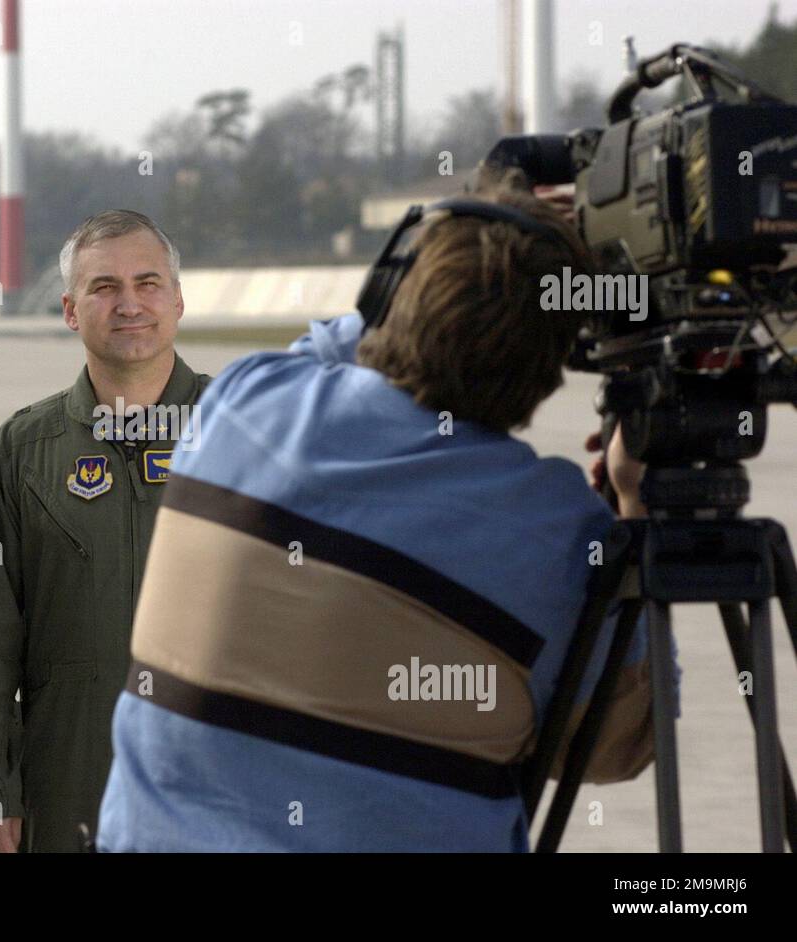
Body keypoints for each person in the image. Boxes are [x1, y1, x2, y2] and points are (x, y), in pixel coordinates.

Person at [97, 182, 662, 851]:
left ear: (395, 292)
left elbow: (343, 342)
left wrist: (491, 222)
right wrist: (636, 502)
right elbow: (617, 746)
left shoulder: (246, 402)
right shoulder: (562, 535)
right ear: (549, 366)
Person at [0, 209, 210, 852]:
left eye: (148, 284)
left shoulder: (246, 430)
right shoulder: (24, 451)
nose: (129, 304)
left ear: (177, 301)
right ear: (69, 309)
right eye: (104, 287)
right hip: (65, 790)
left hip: (216, 787)